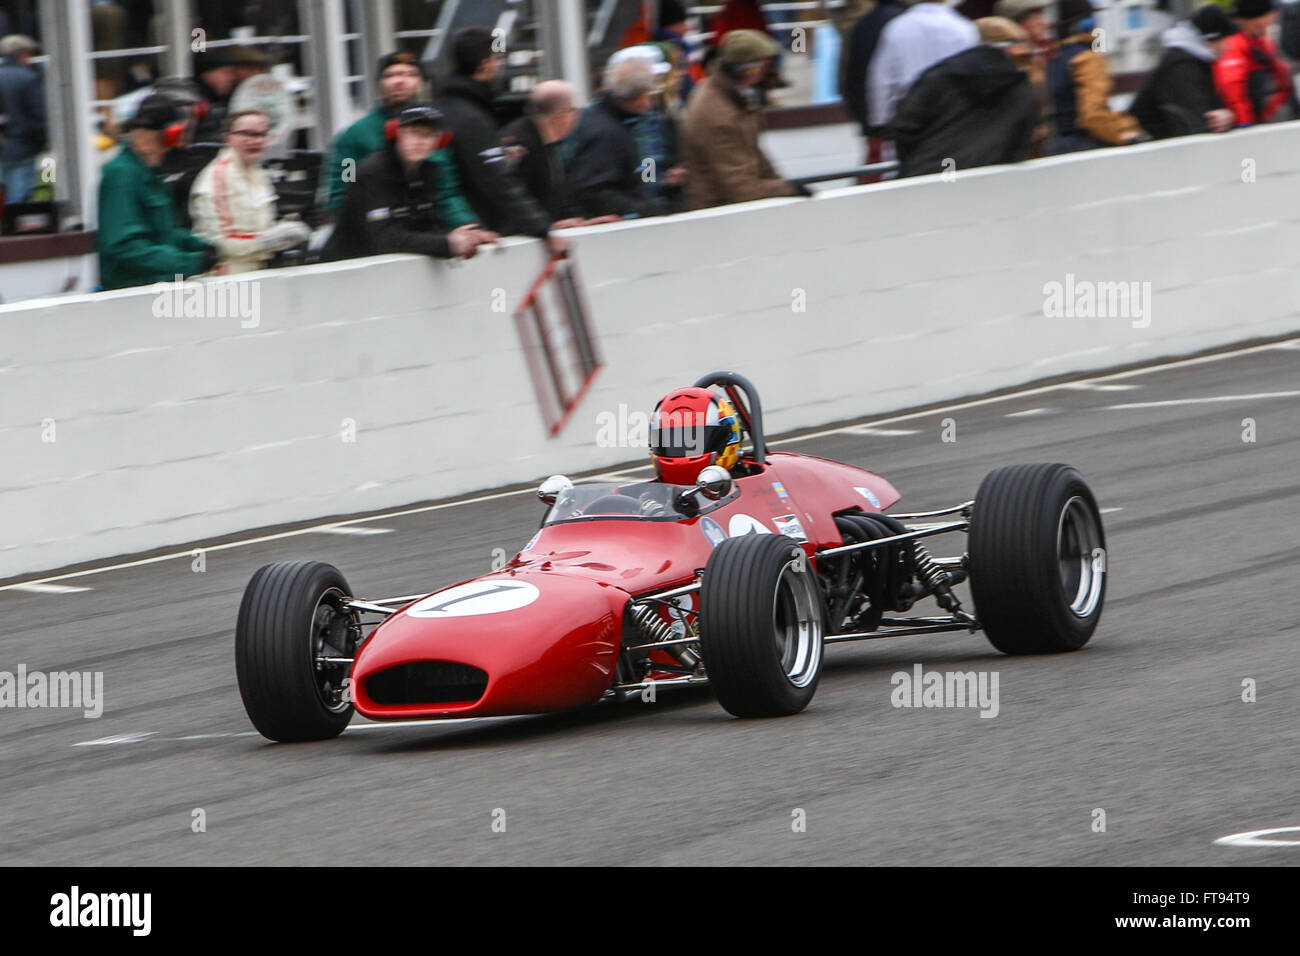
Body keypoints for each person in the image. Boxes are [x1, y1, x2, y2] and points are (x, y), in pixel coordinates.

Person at [323, 104, 498, 263]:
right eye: (413, 132)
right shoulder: (371, 171)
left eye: (428, 135)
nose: (419, 141)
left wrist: (466, 234)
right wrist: (447, 243)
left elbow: (427, 224)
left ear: (438, 141)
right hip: (346, 266)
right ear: (398, 134)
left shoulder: (430, 170)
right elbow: (383, 238)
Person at [434, 27, 558, 248]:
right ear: (485, 64)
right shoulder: (472, 118)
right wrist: (543, 229)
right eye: (498, 59)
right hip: (476, 234)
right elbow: (499, 182)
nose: (500, 66)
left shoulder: (446, 106)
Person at [326, 50, 470, 222]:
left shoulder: (436, 129)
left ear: (422, 82)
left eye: (410, 74)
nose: (400, 81)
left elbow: (447, 194)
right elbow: (341, 194)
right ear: (380, 83)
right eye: (391, 75)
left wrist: (468, 226)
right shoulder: (354, 137)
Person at [97, 93, 217, 290]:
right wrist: (191, 262)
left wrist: (201, 247)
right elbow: (126, 247)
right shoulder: (122, 174)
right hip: (130, 297)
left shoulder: (151, 174)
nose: (180, 144)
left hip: (157, 291)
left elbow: (165, 234)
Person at [892, 17, 1038, 178]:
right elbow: (1020, 142)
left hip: (927, 176)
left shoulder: (940, 75)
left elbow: (905, 128)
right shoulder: (1021, 87)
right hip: (985, 182)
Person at [680, 29, 803, 210]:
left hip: (735, 211)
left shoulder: (738, 98)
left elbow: (756, 157)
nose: (771, 74)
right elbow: (742, 190)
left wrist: (782, 185)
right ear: (750, 70)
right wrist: (788, 188)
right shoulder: (717, 115)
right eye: (766, 67)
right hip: (717, 217)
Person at [189, 108, 312, 273]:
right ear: (228, 138)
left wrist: (283, 233)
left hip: (258, 269)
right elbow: (217, 242)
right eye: (247, 134)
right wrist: (267, 240)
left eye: (262, 135)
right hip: (225, 275)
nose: (255, 141)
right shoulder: (219, 175)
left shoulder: (257, 173)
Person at [566, 55, 679, 218]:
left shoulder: (636, 121)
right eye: (651, 93)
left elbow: (645, 168)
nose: (654, 99)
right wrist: (645, 210)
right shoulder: (604, 133)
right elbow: (595, 192)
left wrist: (663, 182)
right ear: (640, 96)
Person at [500, 81, 610, 228]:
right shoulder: (519, 148)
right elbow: (513, 206)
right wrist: (549, 227)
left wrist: (586, 222)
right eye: (573, 111)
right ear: (561, 116)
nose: (577, 117)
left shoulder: (548, 143)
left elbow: (562, 198)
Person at [867, 0, 980, 135]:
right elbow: (975, 71)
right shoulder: (963, 27)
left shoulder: (897, 28)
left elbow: (882, 78)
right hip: (955, 114)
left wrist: (881, 119)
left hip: (912, 115)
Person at [1046, 0, 1145, 152]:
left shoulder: (1056, 60)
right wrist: (1122, 138)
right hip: (1086, 147)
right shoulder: (1088, 58)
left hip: (1059, 147)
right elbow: (1094, 116)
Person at [1130, 5, 1237, 139]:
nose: (1228, 45)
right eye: (1225, 40)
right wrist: (1223, 119)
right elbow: (1196, 118)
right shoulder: (1182, 66)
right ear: (1213, 40)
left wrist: (1227, 117)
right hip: (1159, 149)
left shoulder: (1195, 62)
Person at [1214, 0, 1296, 125]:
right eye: (1269, 15)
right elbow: (1233, 92)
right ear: (1256, 19)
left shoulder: (1260, 41)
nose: (1273, 18)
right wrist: (1247, 125)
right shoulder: (1235, 47)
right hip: (1263, 125)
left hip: (1278, 118)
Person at [648, 387, 743, 485]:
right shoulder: (650, 495)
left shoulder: (752, 489)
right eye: (671, 441)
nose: (681, 453)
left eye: (693, 440)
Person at [0, 35, 47, 203]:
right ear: (21, 54)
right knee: (19, 199)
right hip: (23, 147)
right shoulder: (28, 78)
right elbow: (39, 114)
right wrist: (42, 140)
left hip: (5, 146)